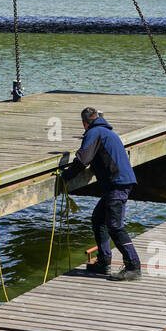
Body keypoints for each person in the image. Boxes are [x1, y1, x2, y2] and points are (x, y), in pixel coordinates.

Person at [62, 106, 142, 281]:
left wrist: (66, 175)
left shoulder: (94, 132)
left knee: (115, 226)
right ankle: (104, 261)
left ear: (84, 123)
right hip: (118, 183)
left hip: (117, 184)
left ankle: (133, 266)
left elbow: (83, 160)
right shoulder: (108, 132)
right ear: (98, 117)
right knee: (99, 219)